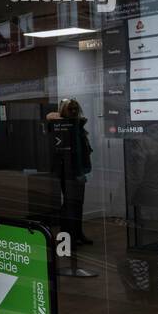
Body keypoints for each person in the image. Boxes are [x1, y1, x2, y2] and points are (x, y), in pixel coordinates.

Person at [46, 98, 94, 246]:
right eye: (70, 109)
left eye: (75, 109)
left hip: (78, 169)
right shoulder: (59, 124)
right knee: (68, 205)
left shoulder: (78, 125)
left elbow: (84, 149)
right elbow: (50, 116)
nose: (73, 112)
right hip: (65, 170)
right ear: (64, 110)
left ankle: (77, 234)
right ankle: (67, 238)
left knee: (77, 204)